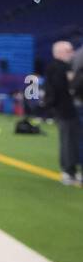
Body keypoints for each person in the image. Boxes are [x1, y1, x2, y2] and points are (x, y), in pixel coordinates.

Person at [43, 40, 80, 186]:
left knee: (70, 140)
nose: (71, 53)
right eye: (68, 50)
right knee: (68, 140)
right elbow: (62, 89)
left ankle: (70, 170)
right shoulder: (59, 68)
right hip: (65, 108)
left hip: (62, 108)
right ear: (60, 52)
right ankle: (68, 171)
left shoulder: (56, 67)